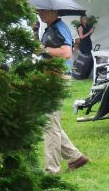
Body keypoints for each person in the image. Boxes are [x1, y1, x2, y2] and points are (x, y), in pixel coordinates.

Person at [38, 9, 89, 174]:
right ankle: (75, 157)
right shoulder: (53, 27)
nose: (40, 13)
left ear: (53, 11)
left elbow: (66, 53)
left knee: (50, 124)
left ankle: (52, 170)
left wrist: (43, 50)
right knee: (51, 122)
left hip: (58, 78)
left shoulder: (59, 27)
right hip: (54, 77)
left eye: (43, 11)